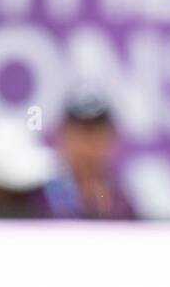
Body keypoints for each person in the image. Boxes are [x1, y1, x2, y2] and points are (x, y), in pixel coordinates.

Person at [44, 89, 136, 220]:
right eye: (78, 133)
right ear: (61, 136)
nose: (86, 145)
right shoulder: (42, 198)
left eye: (95, 133)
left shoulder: (121, 204)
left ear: (112, 138)